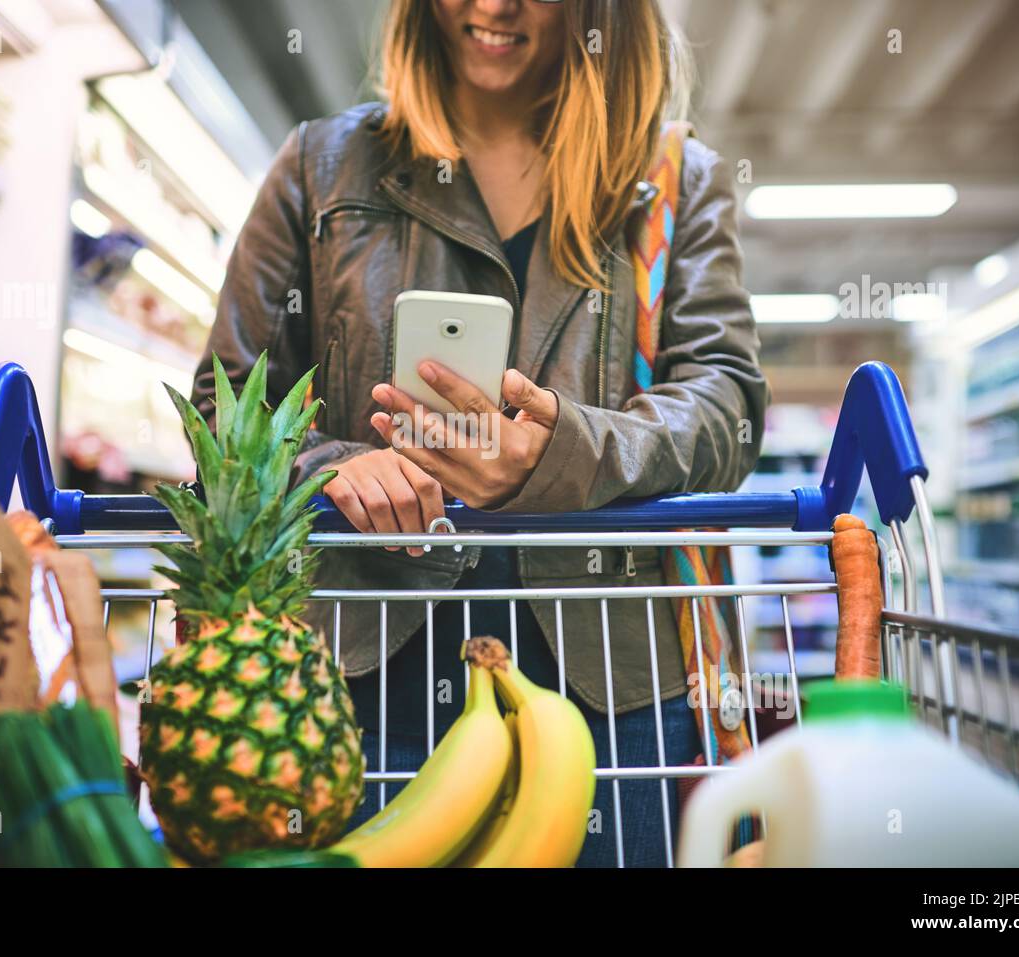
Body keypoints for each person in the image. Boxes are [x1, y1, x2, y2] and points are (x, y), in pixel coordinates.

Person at [193, 0, 768, 867]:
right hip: (359, 675)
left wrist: (566, 448)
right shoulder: (322, 165)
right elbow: (225, 406)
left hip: (610, 686)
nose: (493, 5)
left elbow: (725, 406)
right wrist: (333, 467)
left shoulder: (671, 180)